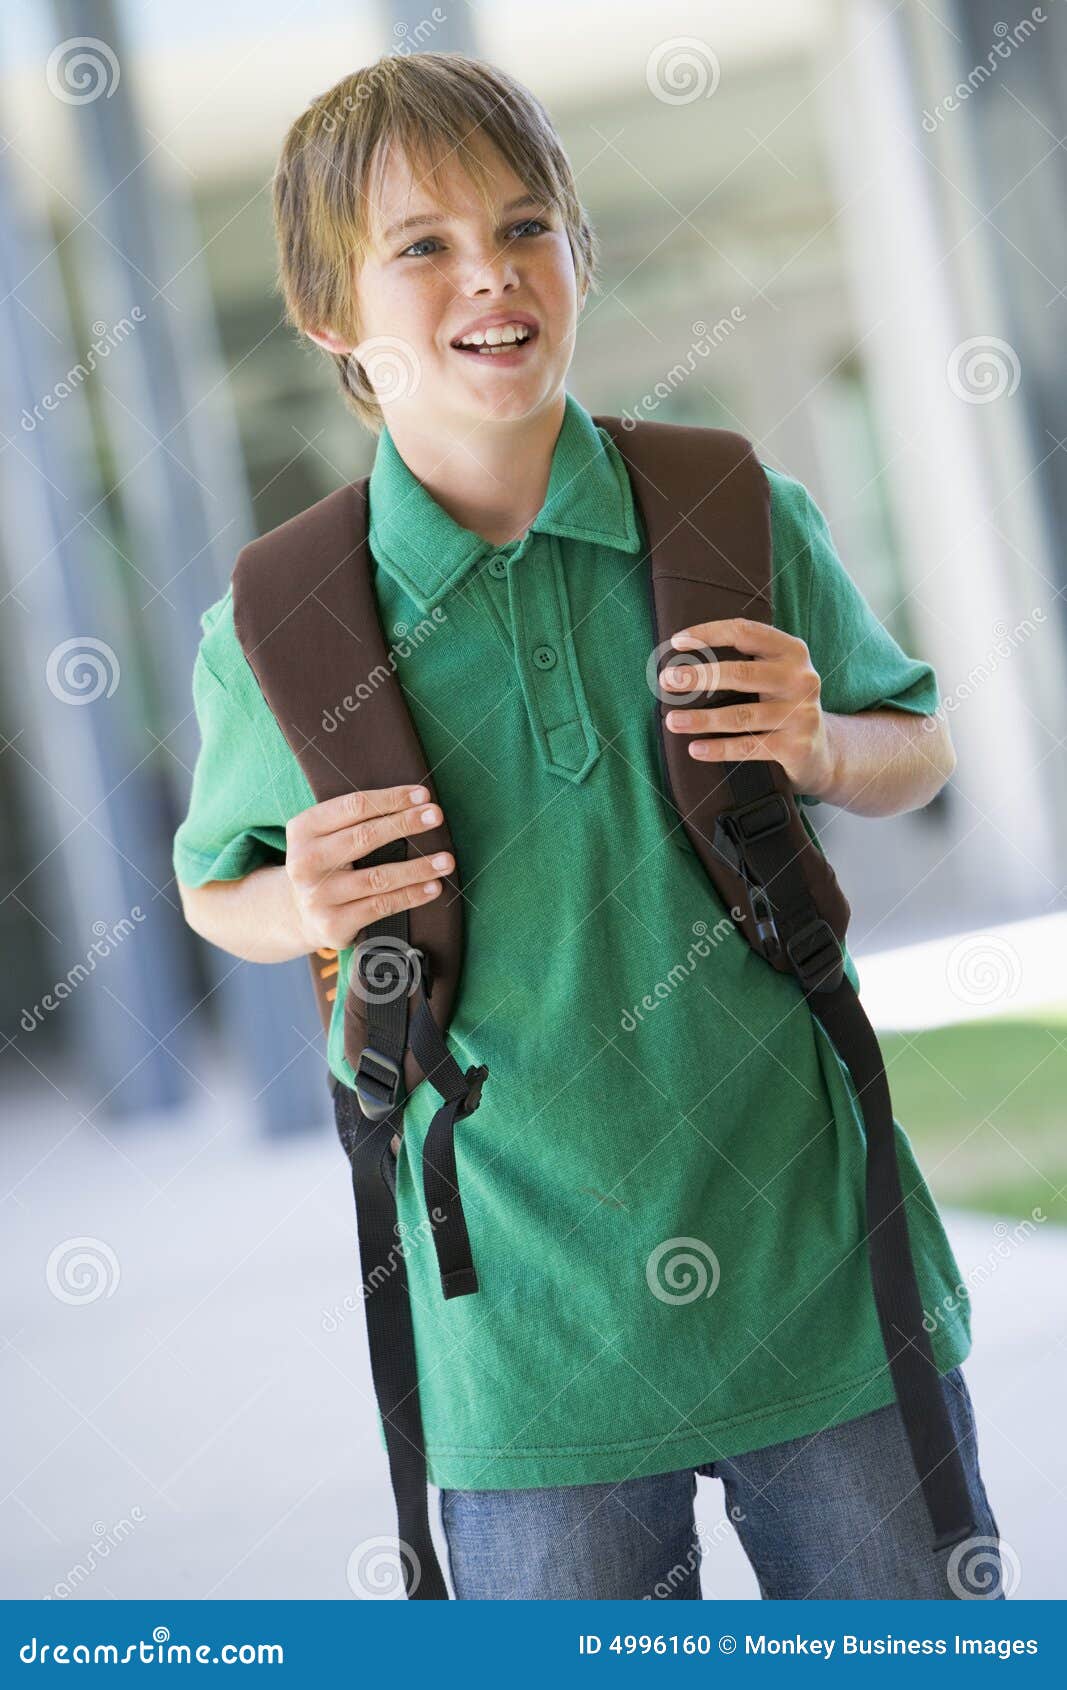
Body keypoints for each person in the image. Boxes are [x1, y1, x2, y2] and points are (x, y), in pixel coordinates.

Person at [174, 51, 1002, 1600]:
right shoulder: (281, 618)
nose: (491, 274)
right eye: (421, 245)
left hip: (819, 1284)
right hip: (519, 1346)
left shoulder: (726, 511)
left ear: (580, 254)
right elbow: (218, 885)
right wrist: (301, 906)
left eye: (527, 224)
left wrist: (822, 739)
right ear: (329, 315)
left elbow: (922, 742)